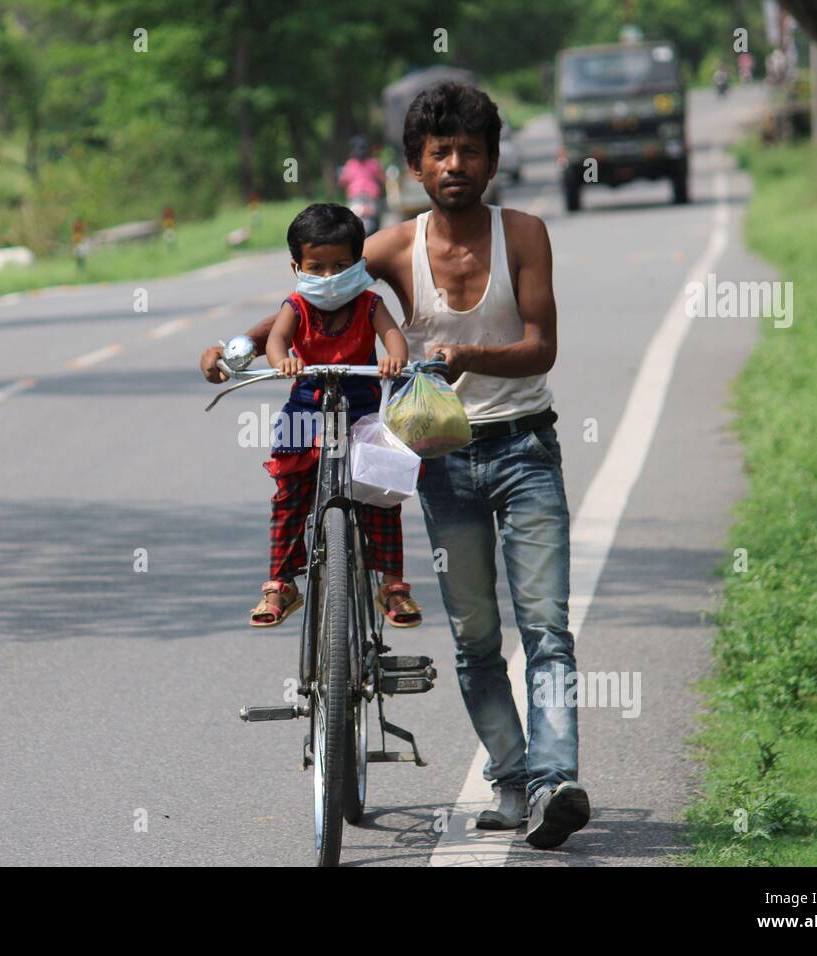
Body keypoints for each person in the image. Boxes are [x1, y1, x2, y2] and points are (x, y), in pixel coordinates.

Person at [202, 83, 589, 850]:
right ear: (415, 166)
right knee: (476, 635)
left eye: (470, 150)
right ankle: (512, 784)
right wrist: (239, 351)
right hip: (440, 458)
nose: (455, 164)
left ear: (492, 160)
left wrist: (466, 356)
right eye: (440, 152)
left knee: (545, 626)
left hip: (524, 447)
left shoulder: (526, 234)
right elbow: (315, 294)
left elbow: (542, 346)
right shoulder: (391, 247)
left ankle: (555, 780)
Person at [249, 203, 423, 631]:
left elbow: (393, 337)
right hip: (305, 408)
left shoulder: (369, 303)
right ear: (297, 267)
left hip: (364, 410)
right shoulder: (296, 305)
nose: (329, 277)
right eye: (317, 267)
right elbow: (277, 341)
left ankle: (393, 585)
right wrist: (282, 361)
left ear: (359, 263)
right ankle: (282, 583)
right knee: (289, 492)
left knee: (382, 490)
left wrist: (394, 360)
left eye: (341, 265)